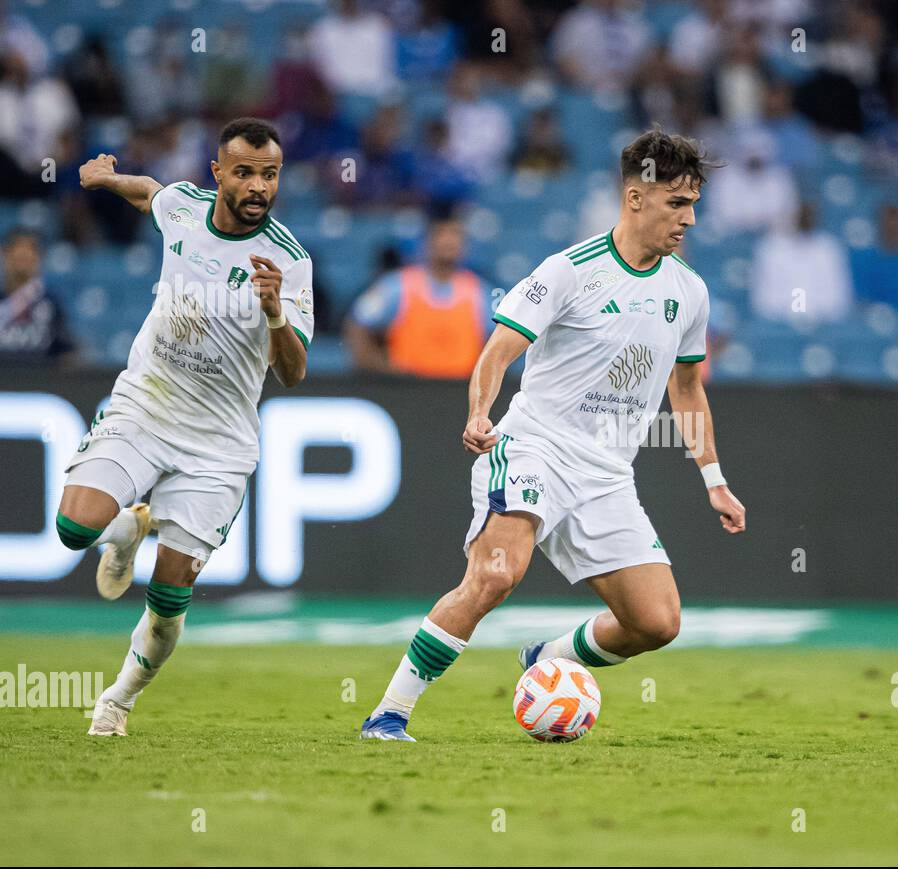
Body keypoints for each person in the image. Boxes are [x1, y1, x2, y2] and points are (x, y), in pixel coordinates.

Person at [361, 130, 746, 742]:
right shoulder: (569, 271)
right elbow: (498, 351)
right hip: (534, 446)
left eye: (694, 203)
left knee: (656, 622)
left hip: (608, 474)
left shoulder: (689, 292)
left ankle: (549, 658)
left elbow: (689, 389)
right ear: (635, 197)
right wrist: (479, 413)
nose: (689, 219)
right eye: (677, 203)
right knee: (494, 575)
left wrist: (714, 480)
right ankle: (389, 713)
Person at [61, 118, 312, 737]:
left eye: (271, 174)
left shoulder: (289, 260)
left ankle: (117, 700)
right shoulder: (181, 207)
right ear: (218, 173)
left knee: (169, 601)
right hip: (146, 406)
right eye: (246, 172)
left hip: (218, 446)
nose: (259, 186)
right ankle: (125, 532)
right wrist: (106, 177)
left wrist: (276, 312)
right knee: (73, 529)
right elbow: (150, 192)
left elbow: (294, 372)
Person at [343, 217, 491, 378]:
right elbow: (358, 324)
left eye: (455, 236)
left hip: (461, 386)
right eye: (440, 235)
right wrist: (378, 367)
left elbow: (501, 341)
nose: (448, 242)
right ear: (427, 243)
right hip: (408, 388)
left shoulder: (479, 292)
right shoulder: (397, 286)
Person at [0, 229, 76, 366]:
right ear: (5, 256)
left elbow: (66, 353)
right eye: (17, 255)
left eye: (28, 255)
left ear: (39, 259)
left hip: (39, 382)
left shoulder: (51, 305)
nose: (22, 259)